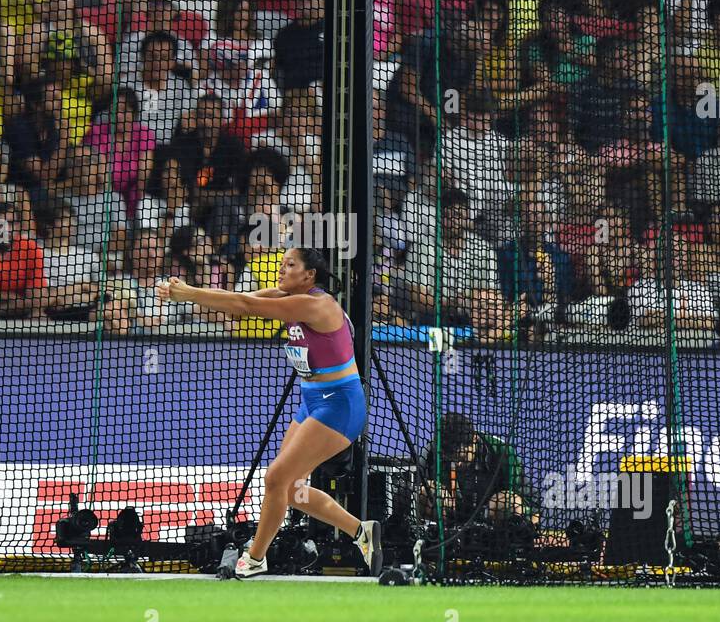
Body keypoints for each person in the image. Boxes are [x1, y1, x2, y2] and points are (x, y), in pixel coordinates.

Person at [157, 247, 382, 579]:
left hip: (340, 404)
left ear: (309, 276)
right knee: (289, 489)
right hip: (312, 400)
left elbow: (246, 305)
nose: (281, 270)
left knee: (275, 477)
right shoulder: (287, 296)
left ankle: (256, 558)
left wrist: (187, 292)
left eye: (289, 265)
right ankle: (362, 531)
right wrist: (197, 299)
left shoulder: (313, 304)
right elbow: (239, 302)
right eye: (281, 264)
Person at [417, 412, 539, 528]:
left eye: (462, 458)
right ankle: (438, 542)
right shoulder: (430, 453)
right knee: (426, 492)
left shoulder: (501, 452)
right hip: (451, 516)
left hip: (490, 520)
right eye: (450, 459)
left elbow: (530, 504)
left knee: (509, 502)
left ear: (474, 438)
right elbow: (417, 496)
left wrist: (529, 526)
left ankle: (504, 544)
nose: (457, 464)